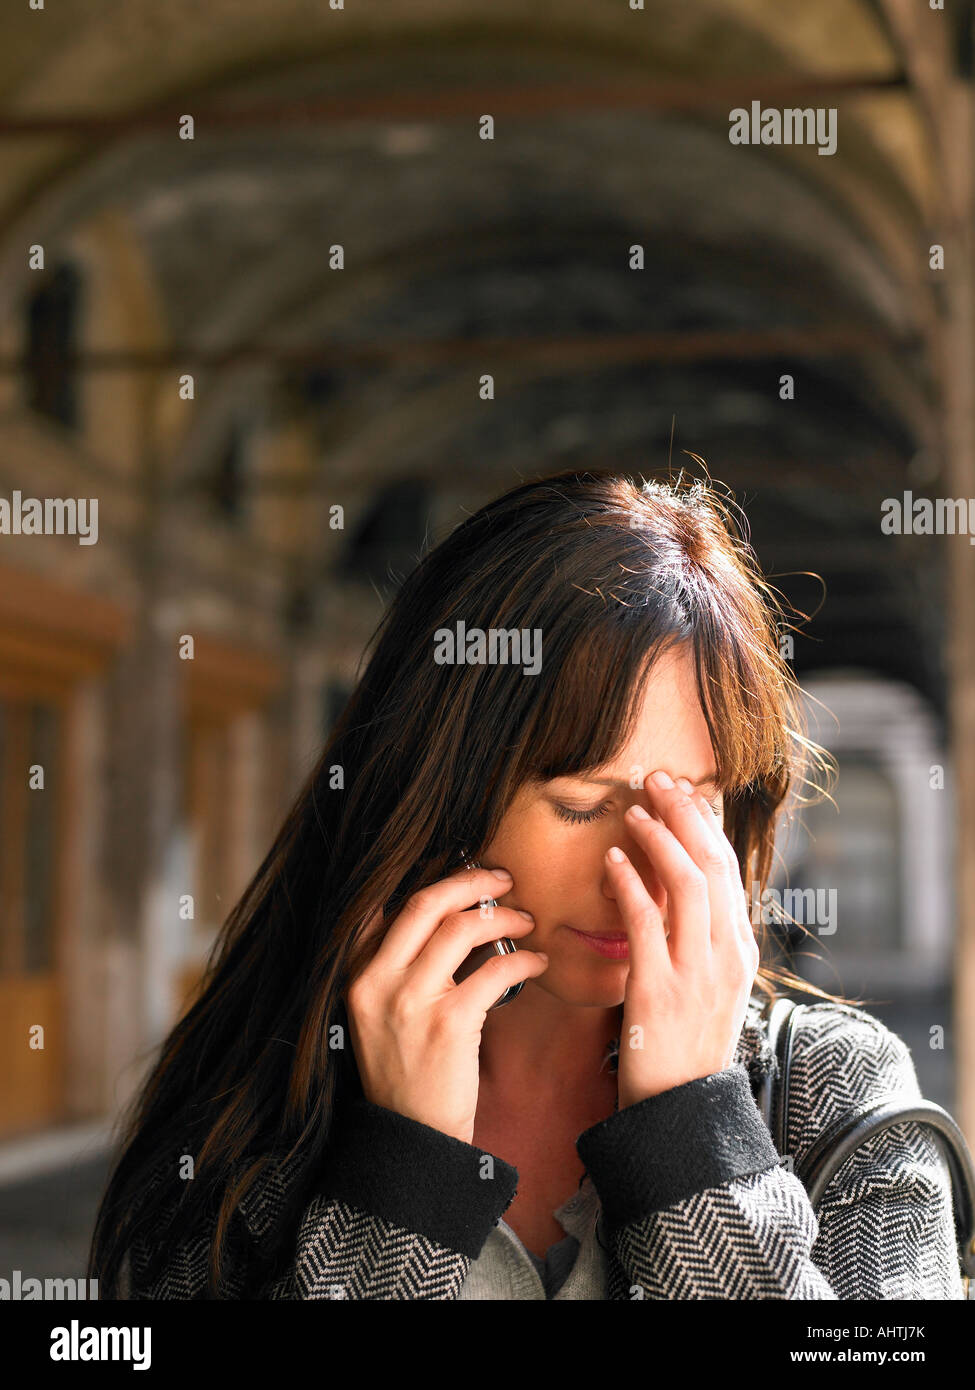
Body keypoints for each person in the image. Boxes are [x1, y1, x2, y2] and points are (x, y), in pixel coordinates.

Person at [89, 469, 964, 1299]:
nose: (643, 872)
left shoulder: (833, 1095)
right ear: (439, 793)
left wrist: (695, 1140)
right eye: (583, 805)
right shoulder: (263, 1104)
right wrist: (402, 1176)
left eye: (693, 804)